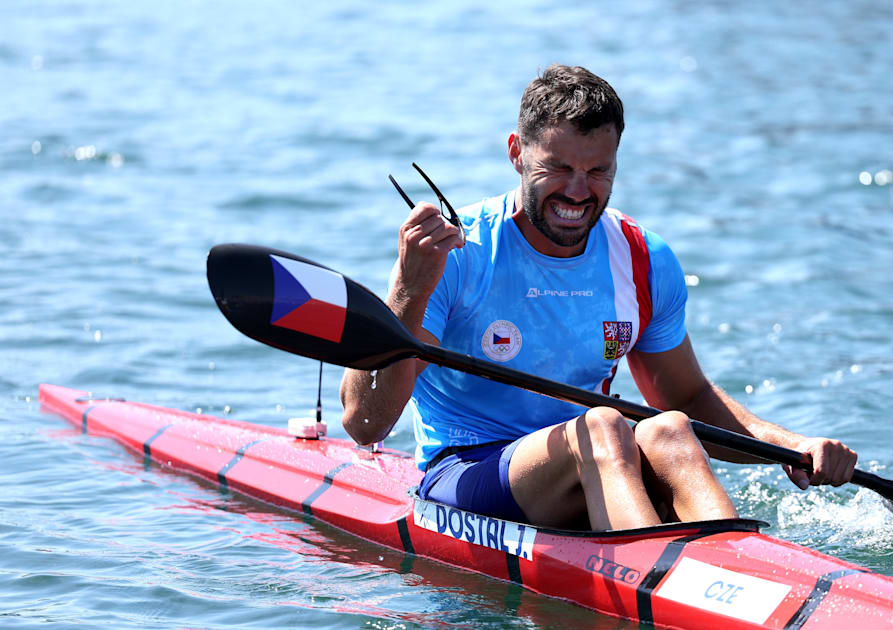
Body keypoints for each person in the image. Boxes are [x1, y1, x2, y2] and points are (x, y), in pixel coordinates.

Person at [340, 64, 857, 531]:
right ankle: (659, 575)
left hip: (596, 457)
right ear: (517, 153)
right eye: (559, 168)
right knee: (607, 425)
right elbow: (365, 423)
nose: (578, 191)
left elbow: (688, 399)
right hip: (466, 473)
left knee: (670, 429)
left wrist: (790, 446)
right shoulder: (455, 254)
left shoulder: (642, 258)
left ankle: (741, 568)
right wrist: (409, 290)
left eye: (598, 171)